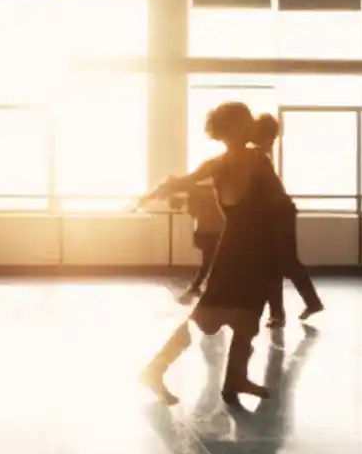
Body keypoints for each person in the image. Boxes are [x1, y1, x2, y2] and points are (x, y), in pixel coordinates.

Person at [138, 102, 281, 407]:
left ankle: (235, 379)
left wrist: (157, 191)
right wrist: (155, 192)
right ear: (230, 129)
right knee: (206, 315)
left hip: (249, 247)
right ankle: (155, 368)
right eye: (243, 122)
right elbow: (276, 200)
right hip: (240, 247)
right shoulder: (252, 160)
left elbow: (180, 182)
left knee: (248, 314)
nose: (249, 126)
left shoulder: (233, 161)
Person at [252, 113, 324, 327]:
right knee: (282, 262)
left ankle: (281, 312)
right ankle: (300, 305)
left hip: (276, 214)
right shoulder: (259, 154)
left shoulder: (257, 156)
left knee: (278, 263)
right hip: (279, 212)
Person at [173, 182, 224, 304]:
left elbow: (193, 212)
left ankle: (197, 288)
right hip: (220, 228)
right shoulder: (221, 187)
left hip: (206, 229)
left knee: (208, 260)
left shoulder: (194, 191)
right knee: (213, 261)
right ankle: (199, 287)